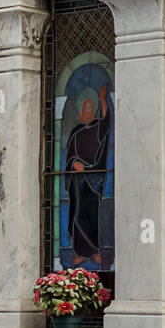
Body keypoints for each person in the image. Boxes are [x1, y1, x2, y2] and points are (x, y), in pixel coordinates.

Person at [65, 83, 110, 265]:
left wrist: (103, 101)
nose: (88, 111)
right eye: (85, 108)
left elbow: (106, 122)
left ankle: (94, 251)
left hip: (93, 178)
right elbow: (69, 156)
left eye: (91, 108)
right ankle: (79, 253)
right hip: (77, 181)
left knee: (92, 215)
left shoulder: (97, 127)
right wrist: (72, 164)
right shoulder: (76, 131)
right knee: (77, 214)